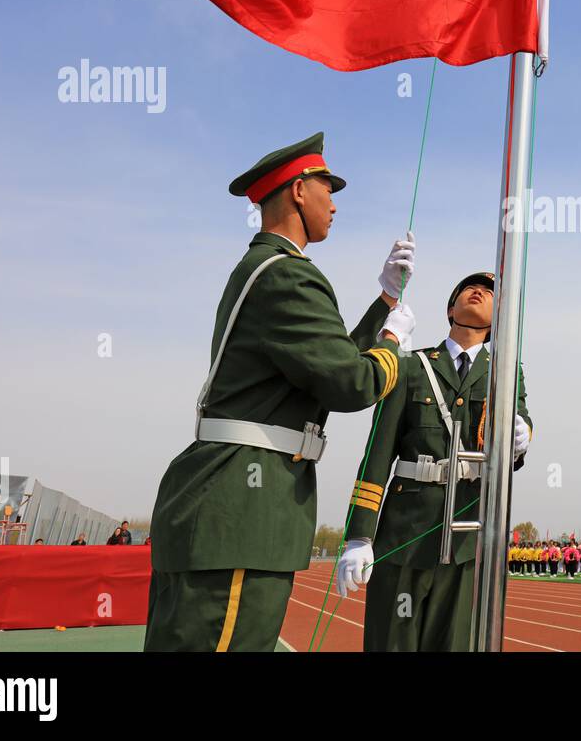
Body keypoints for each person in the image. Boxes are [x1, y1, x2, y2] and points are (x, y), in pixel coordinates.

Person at [145, 132, 414, 652]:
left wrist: (384, 301)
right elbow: (351, 382)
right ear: (297, 191)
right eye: (327, 189)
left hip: (229, 498)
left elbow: (319, 360)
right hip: (245, 506)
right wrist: (392, 344)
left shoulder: (268, 269)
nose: (333, 204)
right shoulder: (289, 276)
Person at [334, 272, 533, 650]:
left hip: (466, 542)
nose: (479, 292)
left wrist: (522, 439)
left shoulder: (505, 373)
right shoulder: (411, 366)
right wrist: (359, 534)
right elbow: (379, 451)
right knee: (392, 643)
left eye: (491, 292)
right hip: (405, 535)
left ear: (498, 321)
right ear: (449, 309)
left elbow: (518, 431)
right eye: (469, 289)